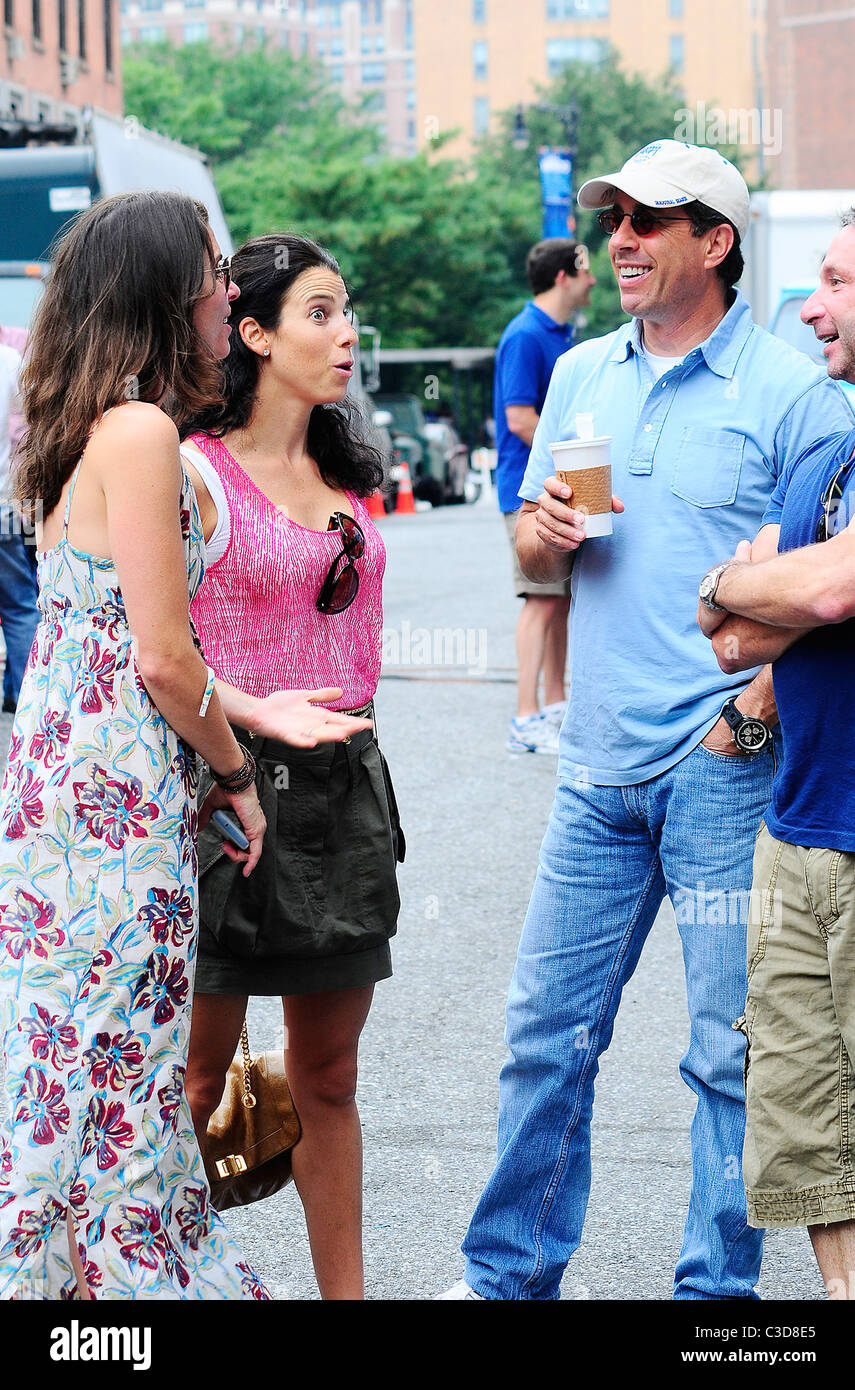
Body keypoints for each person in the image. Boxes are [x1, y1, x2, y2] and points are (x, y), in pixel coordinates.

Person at [439, 140, 854, 1301]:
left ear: (712, 242)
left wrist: (747, 715)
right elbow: (533, 547)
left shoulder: (791, 393)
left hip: (721, 770)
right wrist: (545, 535)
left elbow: (829, 586)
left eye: (647, 219)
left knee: (729, 1058)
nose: (617, 237)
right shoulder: (582, 375)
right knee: (544, 1038)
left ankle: (713, 1299)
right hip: (595, 764)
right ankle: (506, 1278)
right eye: (610, 216)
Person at [0, 192, 363, 1301]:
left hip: (69, 792)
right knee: (120, 1063)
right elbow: (163, 657)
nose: (225, 289)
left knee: (72, 1064)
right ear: (167, 291)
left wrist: (194, 763)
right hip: (111, 813)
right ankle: (120, 1294)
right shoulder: (145, 431)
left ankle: (64, 1290)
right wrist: (235, 771)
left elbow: (99, 648)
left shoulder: (79, 427)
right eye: (210, 270)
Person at [179, 233, 403, 1302]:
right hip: (223, 789)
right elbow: (157, 652)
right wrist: (232, 746)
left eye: (346, 308)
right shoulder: (190, 470)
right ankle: (145, 1281)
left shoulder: (351, 473)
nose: (345, 329)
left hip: (343, 787)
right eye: (319, 311)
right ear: (254, 332)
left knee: (327, 1074)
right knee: (191, 1075)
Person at [697, 206, 855, 1300]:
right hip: (792, 828)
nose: (809, 305)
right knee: (807, 1142)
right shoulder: (830, 444)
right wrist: (746, 589)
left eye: (837, 282)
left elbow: (826, 587)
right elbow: (738, 639)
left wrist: (743, 578)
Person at [493, 238, 595, 754]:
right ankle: (524, 717)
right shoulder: (526, 335)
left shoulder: (562, 334)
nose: (595, 279)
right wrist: (577, 459)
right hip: (526, 490)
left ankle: (554, 707)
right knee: (539, 600)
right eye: (586, 270)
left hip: (559, 488)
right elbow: (519, 418)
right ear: (563, 276)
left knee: (560, 600)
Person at [0, 334, 39, 713]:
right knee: (19, 606)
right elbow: (30, 417)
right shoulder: (10, 359)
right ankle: (23, 695)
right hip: (6, 509)